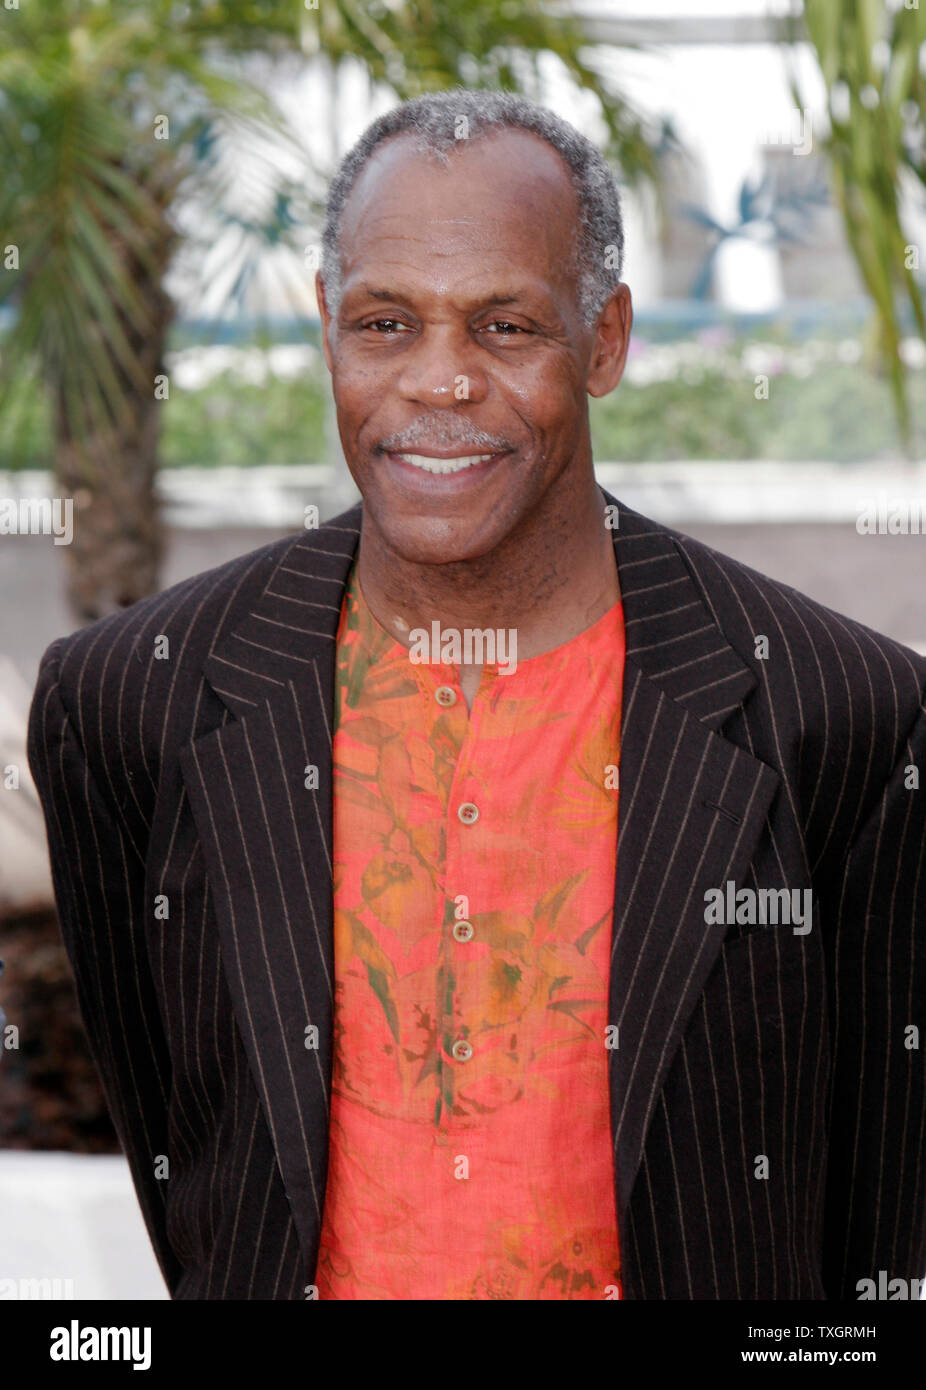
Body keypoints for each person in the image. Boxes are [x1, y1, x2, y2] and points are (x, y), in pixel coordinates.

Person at [27, 88, 926, 1300]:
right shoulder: (132, 702)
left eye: (504, 327)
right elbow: (190, 1165)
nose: (438, 383)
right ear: (325, 329)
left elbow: (881, 1224)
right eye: (386, 323)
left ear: (603, 339)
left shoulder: (847, 715)